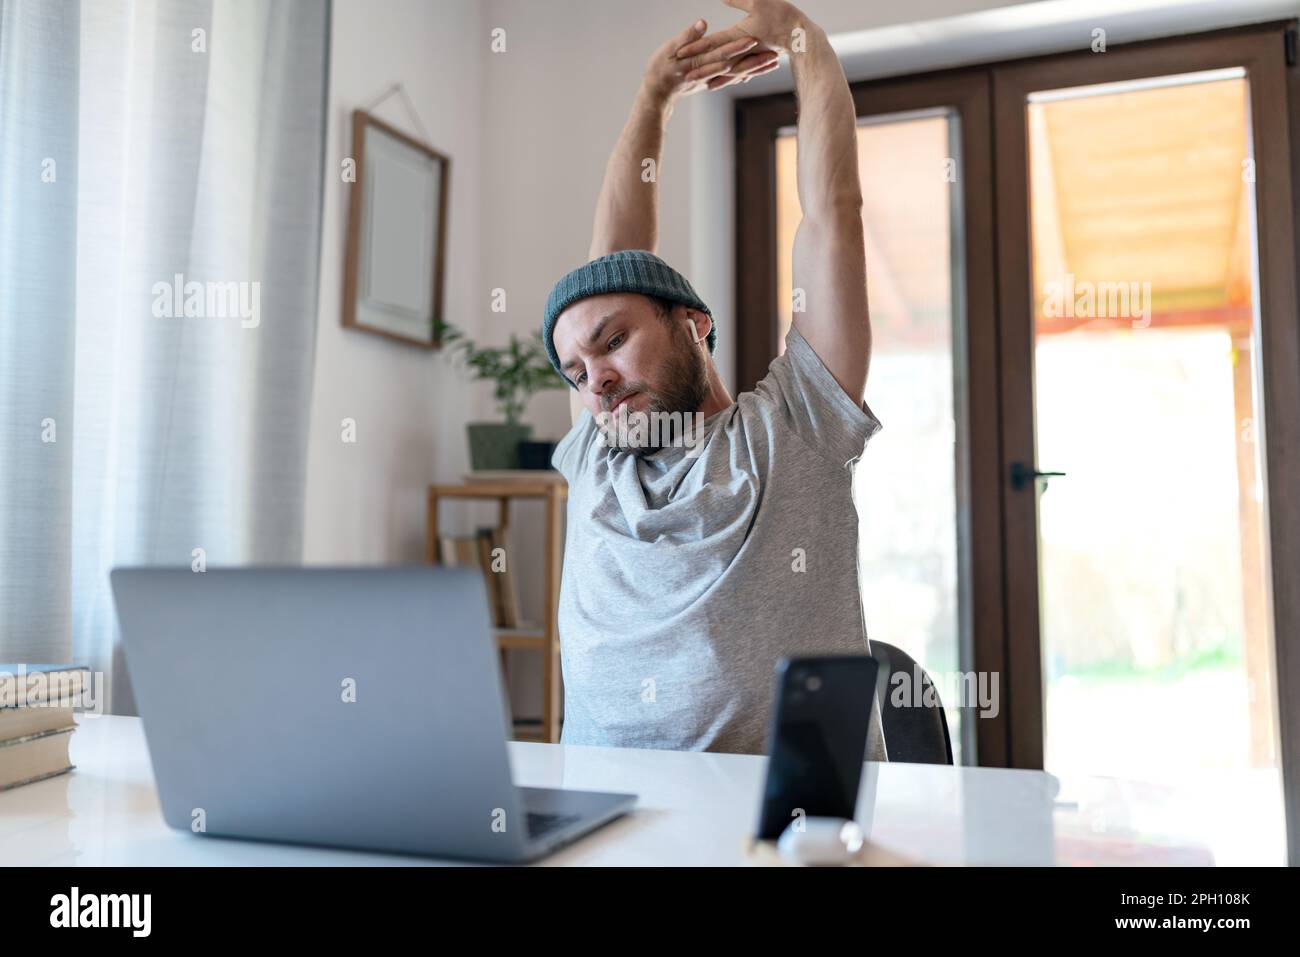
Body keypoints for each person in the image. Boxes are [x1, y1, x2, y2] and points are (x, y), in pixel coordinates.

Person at [542, 0, 886, 760]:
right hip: (605, 832)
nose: (595, 382)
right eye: (576, 369)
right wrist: (651, 96)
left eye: (615, 342)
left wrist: (803, 41)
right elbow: (608, 270)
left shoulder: (796, 428)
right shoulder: (596, 461)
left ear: (693, 323)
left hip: (776, 837)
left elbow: (834, 214)